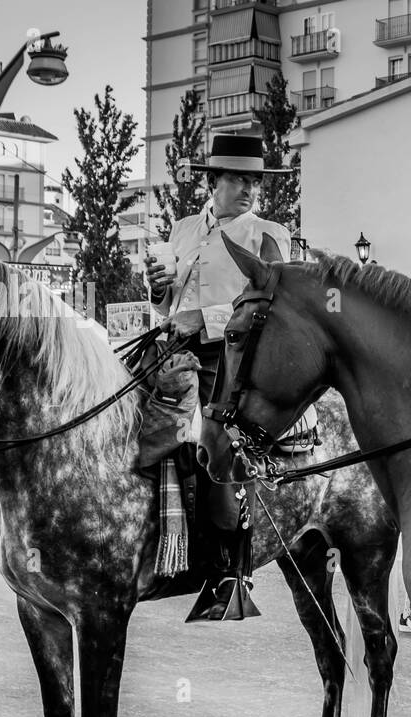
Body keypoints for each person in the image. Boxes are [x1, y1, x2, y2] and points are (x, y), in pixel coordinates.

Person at [145, 133, 294, 621]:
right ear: (212, 181)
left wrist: (202, 320)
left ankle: (227, 567)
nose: (249, 189)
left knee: (212, 440)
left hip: (231, 361)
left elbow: (271, 308)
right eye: (238, 179)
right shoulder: (184, 229)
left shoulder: (268, 234)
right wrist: (158, 293)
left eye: (254, 180)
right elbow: (166, 304)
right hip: (173, 348)